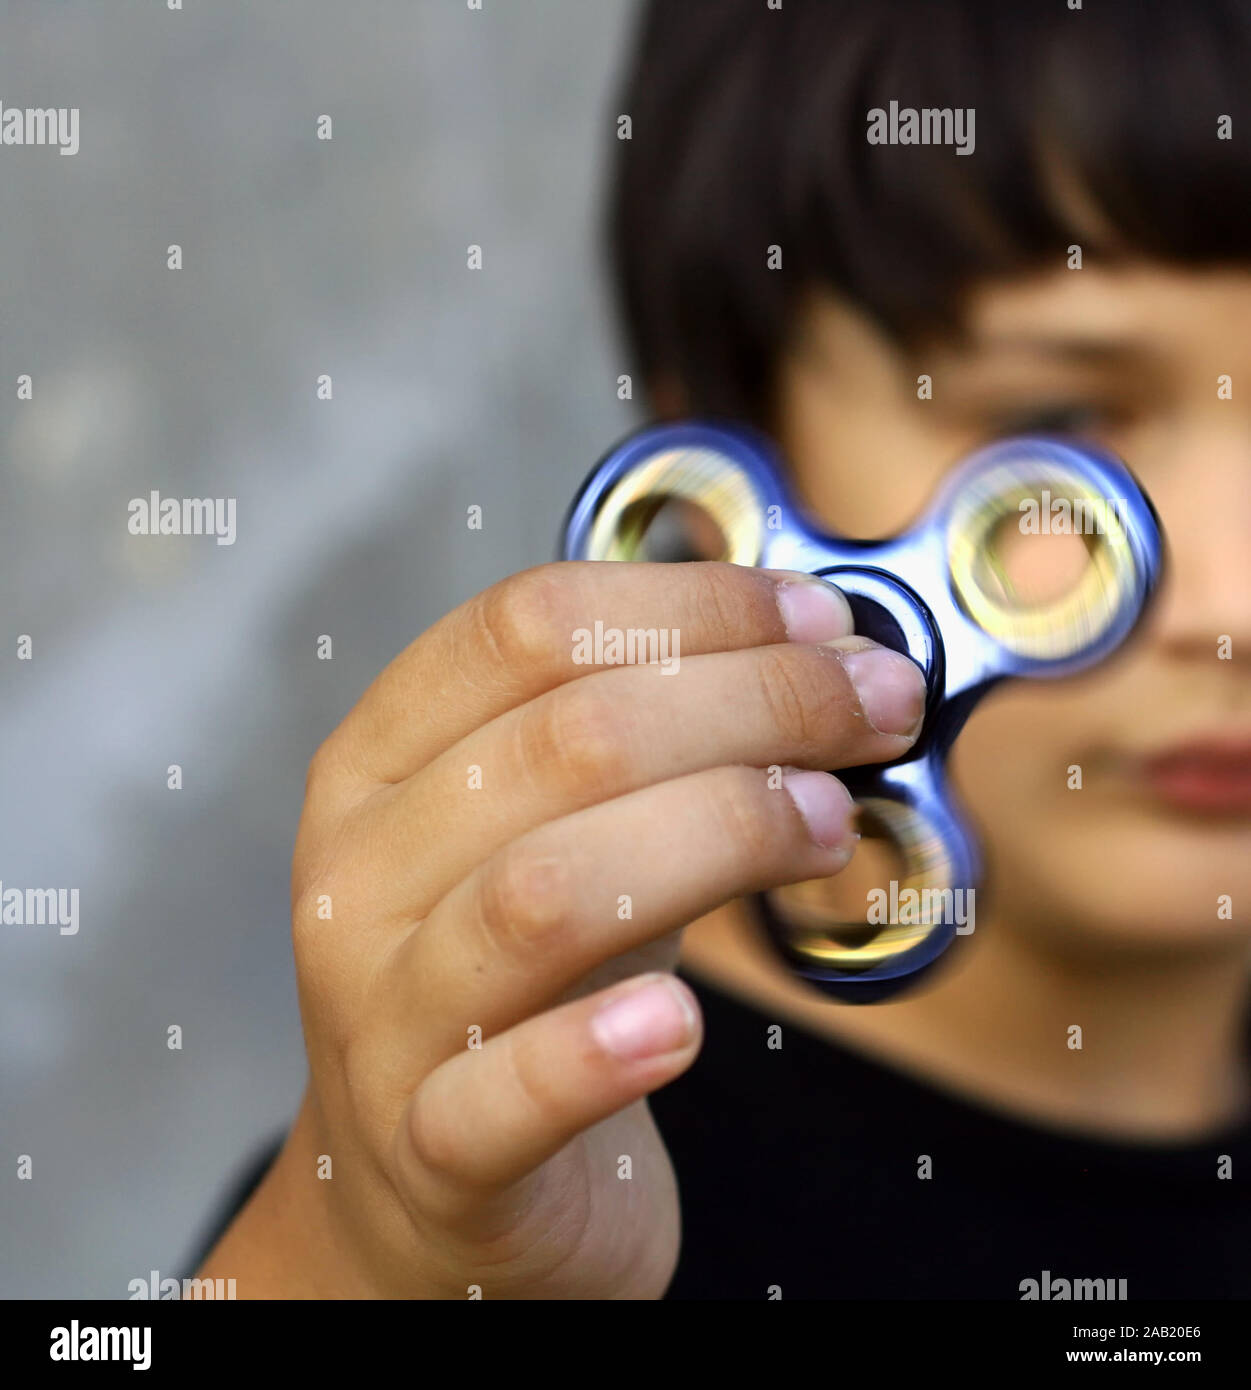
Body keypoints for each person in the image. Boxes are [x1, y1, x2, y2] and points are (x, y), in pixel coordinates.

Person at [194, 0, 1251, 1298]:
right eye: (1060, 417)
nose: (1231, 608)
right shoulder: (511, 1198)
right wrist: (371, 1263)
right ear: (710, 465)